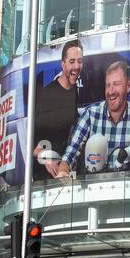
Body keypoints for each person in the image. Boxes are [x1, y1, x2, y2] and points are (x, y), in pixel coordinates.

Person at [56, 59, 130, 176]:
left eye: (116, 84)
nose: (110, 91)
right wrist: (63, 169)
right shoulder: (90, 114)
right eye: (108, 85)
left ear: (128, 86)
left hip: (125, 189)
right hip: (92, 189)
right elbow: (71, 153)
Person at [35, 40, 83, 180]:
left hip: (65, 171)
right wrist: (46, 158)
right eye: (72, 61)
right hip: (45, 175)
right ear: (63, 64)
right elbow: (31, 142)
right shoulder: (46, 95)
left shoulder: (76, 92)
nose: (76, 66)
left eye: (80, 61)